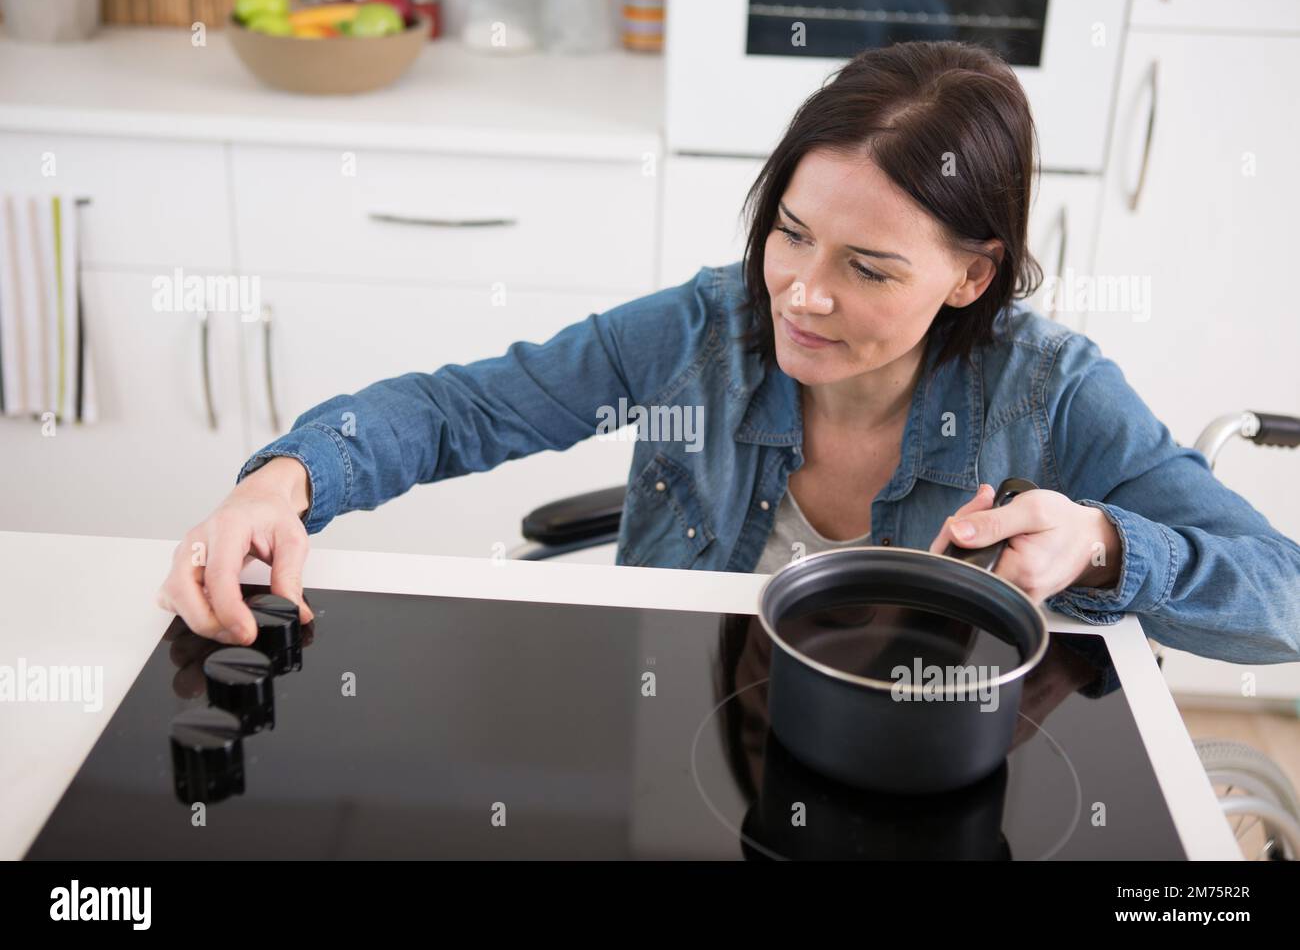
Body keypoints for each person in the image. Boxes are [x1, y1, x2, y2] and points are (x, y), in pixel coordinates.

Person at [158, 40, 1300, 688]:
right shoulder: (704, 327)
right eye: (789, 232)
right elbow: (460, 410)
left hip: (930, 757)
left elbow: (1283, 598)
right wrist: (281, 481)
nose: (802, 292)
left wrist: (1104, 542)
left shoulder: (1052, 389)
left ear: (971, 275)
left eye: (868, 266)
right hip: (686, 723)